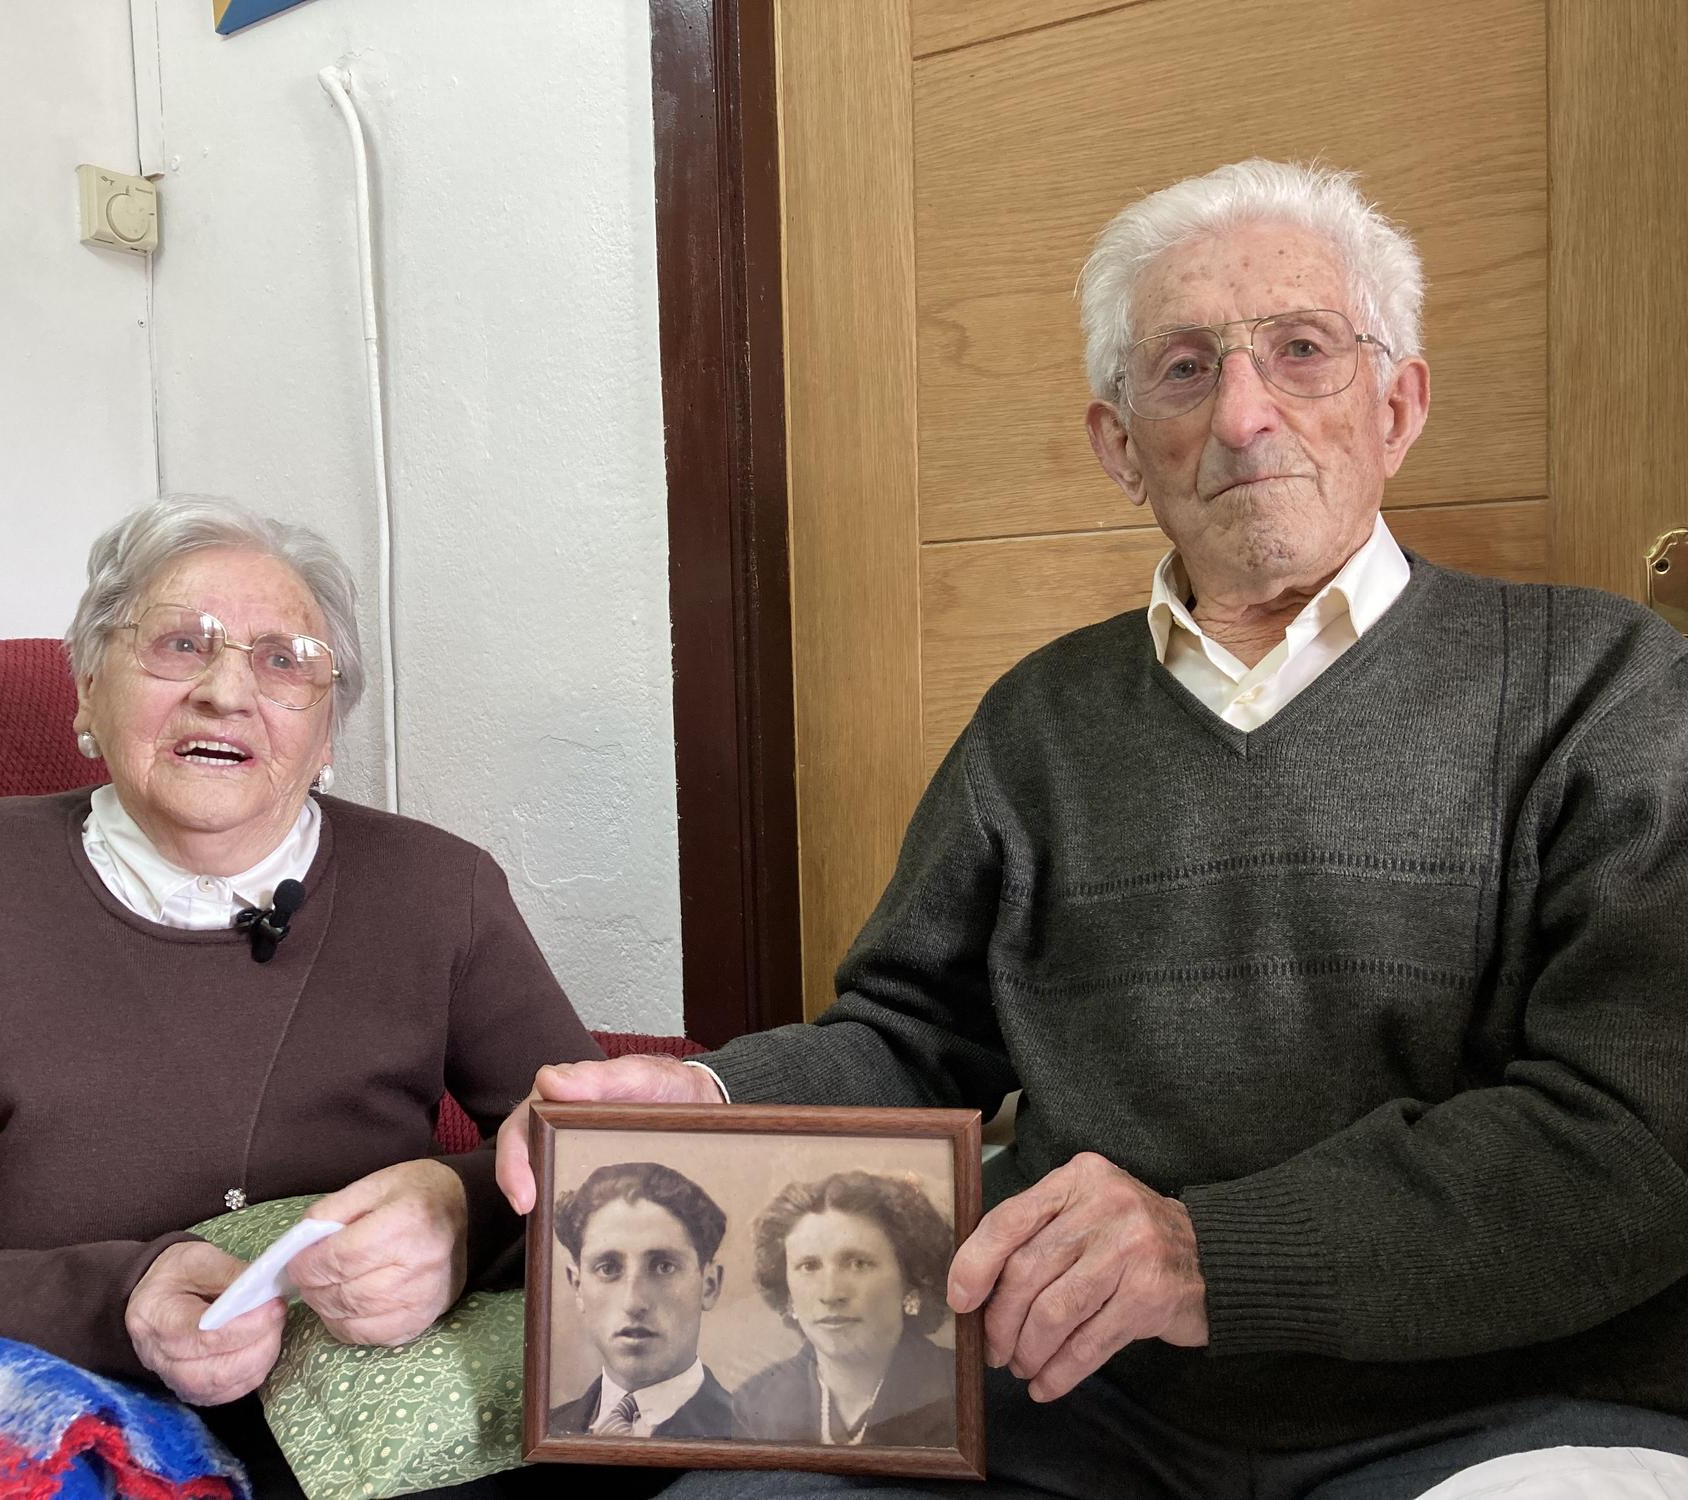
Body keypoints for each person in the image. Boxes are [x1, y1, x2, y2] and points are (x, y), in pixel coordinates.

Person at [495, 160, 1688, 1497]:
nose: (1245, 415)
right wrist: (713, 1098)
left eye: (1302, 352)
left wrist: (1201, 1254)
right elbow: (909, 1039)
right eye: (1185, 369)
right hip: (1076, 1401)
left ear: (1397, 405)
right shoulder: (1035, 726)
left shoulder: (1605, 686)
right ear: (1119, 445)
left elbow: (1639, 1137)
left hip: (1499, 1403)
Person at [0, 495, 604, 1496]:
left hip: (371, 1414)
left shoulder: (440, 890)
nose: (226, 692)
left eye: (283, 659)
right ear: (85, 689)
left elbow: (604, 1168)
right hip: (71, 1403)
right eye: (178, 645)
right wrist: (123, 1298)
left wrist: (455, 1219)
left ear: (325, 726)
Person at [734, 1171, 954, 1447]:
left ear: (912, 1284)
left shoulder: (962, 1388)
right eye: (809, 1266)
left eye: (858, 1263)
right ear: (788, 1295)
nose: (830, 1294)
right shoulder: (752, 1403)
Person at [548, 1161, 736, 1439]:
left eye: (664, 1267)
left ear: (709, 1285)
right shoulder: (550, 1428)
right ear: (578, 1286)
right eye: (608, 1268)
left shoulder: (750, 1430)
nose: (633, 1302)